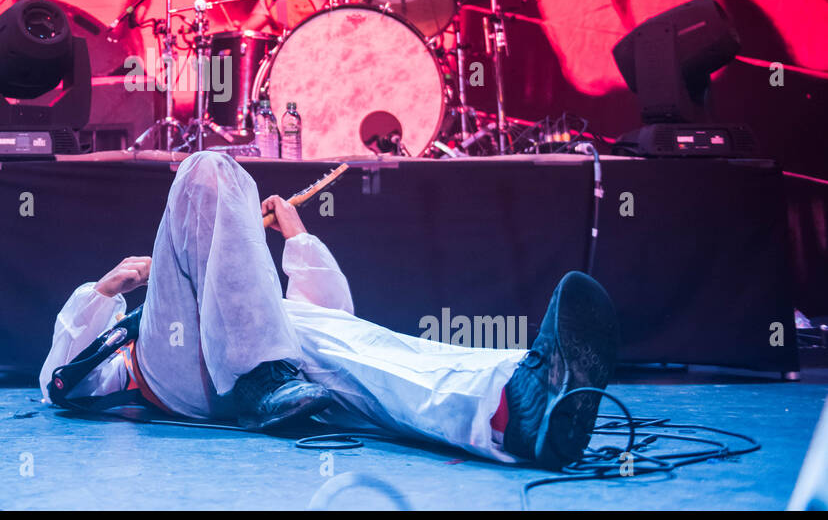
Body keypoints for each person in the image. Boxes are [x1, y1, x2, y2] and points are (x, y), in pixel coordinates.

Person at [40, 151, 619, 468]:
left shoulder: (261, 314)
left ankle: (511, 404)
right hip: (173, 378)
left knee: (336, 343)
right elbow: (54, 382)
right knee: (207, 171)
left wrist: (296, 238)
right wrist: (110, 287)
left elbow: (341, 317)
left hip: (268, 376)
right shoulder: (125, 328)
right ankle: (257, 380)